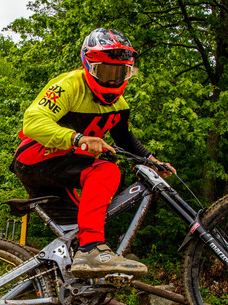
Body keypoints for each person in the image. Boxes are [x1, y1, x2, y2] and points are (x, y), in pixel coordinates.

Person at [10, 27, 172, 279]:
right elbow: (32, 121)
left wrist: (152, 160)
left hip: (58, 168)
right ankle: (92, 251)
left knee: (82, 227)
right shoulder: (69, 85)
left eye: (119, 73)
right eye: (105, 71)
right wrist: (79, 139)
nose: (111, 80)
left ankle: (42, 283)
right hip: (35, 156)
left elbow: (124, 138)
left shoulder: (119, 106)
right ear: (88, 65)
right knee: (106, 169)